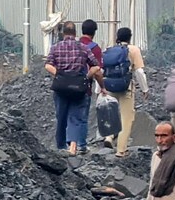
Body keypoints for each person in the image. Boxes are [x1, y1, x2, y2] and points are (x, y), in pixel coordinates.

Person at [44, 21, 102, 155]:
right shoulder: (83, 48)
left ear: (63, 33)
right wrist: (86, 77)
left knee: (61, 117)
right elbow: (96, 66)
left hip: (61, 88)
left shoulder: (55, 47)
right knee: (75, 117)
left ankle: (60, 146)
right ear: (75, 33)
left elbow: (48, 65)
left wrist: (59, 74)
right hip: (78, 88)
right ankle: (73, 147)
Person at [102, 27, 150, 157]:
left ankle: (109, 137)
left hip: (109, 86)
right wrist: (145, 89)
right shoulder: (133, 50)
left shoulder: (108, 50)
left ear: (117, 37)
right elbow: (139, 72)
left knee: (111, 113)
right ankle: (121, 150)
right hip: (126, 87)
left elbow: (102, 70)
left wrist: (100, 88)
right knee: (126, 118)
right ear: (130, 37)